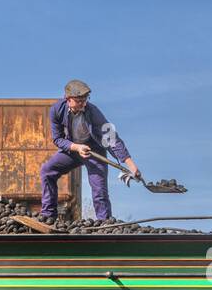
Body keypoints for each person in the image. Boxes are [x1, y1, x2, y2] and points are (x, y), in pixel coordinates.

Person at [40, 79, 139, 222]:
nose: (83, 103)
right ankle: (48, 215)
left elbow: (112, 138)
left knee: (99, 190)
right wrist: (76, 147)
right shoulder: (56, 110)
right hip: (73, 150)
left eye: (85, 100)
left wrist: (131, 165)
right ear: (68, 99)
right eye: (79, 100)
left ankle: (105, 222)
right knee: (47, 171)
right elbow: (57, 139)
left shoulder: (94, 112)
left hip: (95, 152)